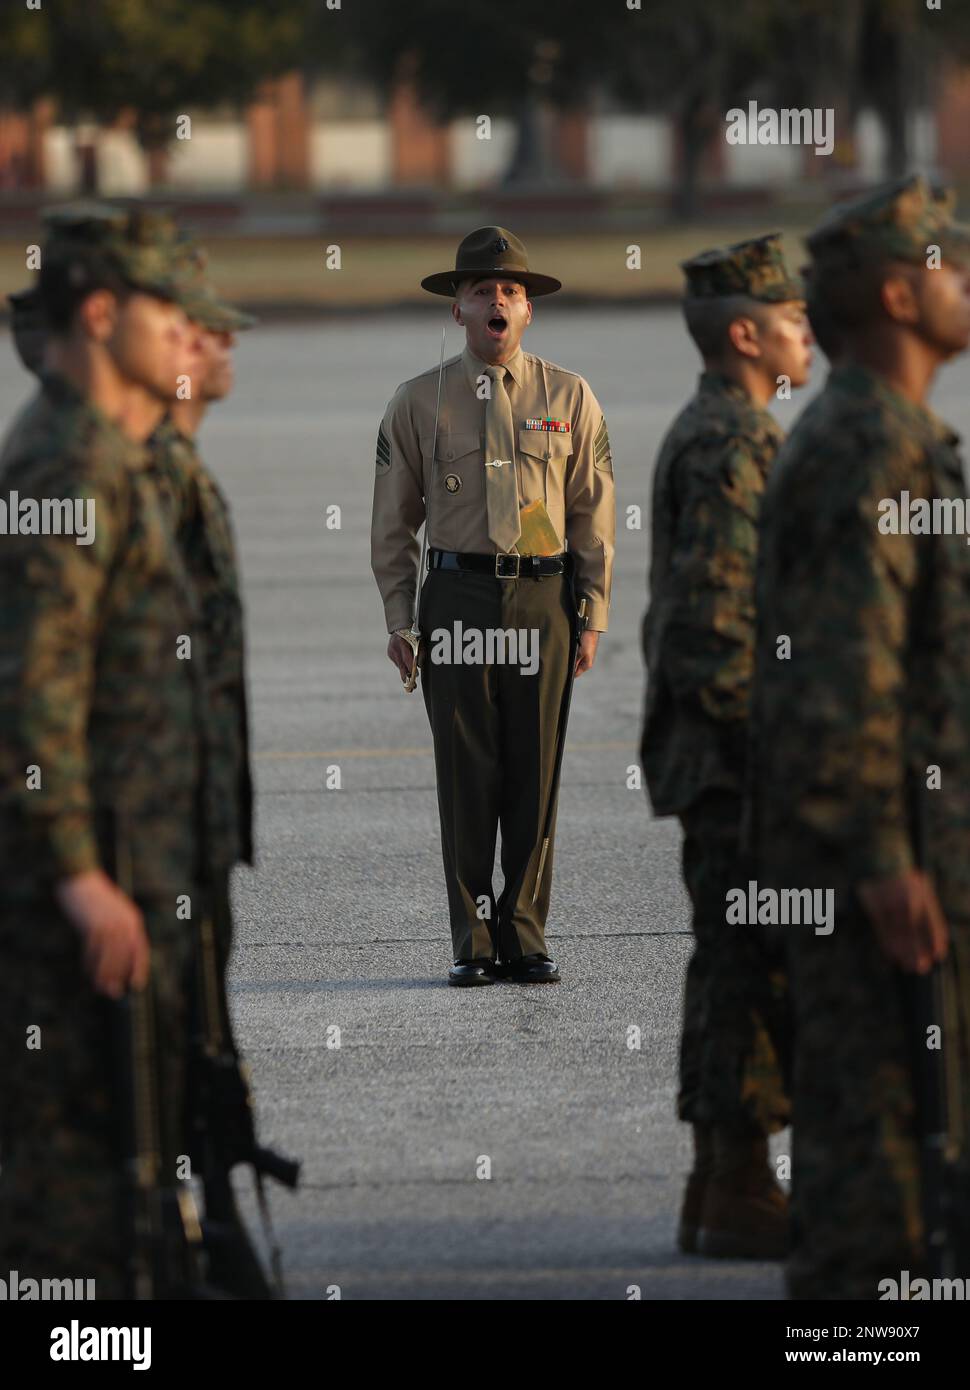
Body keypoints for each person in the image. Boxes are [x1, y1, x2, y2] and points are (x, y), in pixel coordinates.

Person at [750, 175, 970, 1298]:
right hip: (879, 877)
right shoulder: (866, 447)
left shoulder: (896, 434)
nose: (966, 281)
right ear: (895, 293)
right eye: (948, 264)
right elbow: (844, 677)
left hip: (911, 858)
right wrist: (886, 862)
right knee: (872, 1204)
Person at [0, 202, 210, 1296]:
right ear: (96, 312)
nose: (187, 329)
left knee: (122, 1194)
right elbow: (30, 686)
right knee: (68, 1213)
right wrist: (78, 872)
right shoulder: (67, 467)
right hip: (72, 901)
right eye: (162, 305)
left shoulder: (108, 455)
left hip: (131, 867)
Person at [371, 226, 615, 985]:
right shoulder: (418, 402)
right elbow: (392, 523)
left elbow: (591, 513)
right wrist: (399, 617)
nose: (497, 301)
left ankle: (526, 931)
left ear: (529, 310)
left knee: (533, 773)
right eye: (481, 291)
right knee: (466, 773)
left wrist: (593, 608)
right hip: (459, 600)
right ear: (458, 312)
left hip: (543, 595)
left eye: (510, 291)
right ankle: (473, 938)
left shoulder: (570, 397)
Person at [640, 235, 813, 1258]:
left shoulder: (720, 429)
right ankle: (737, 1185)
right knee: (753, 966)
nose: (808, 336)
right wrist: (767, 756)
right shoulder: (733, 442)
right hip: (733, 753)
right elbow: (713, 623)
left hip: (710, 750)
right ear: (744, 334)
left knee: (730, 958)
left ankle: (720, 1185)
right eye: (791, 321)